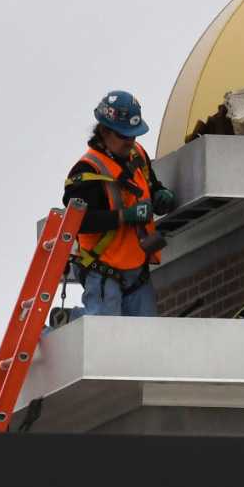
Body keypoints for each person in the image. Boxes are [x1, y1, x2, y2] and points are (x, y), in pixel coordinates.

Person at [56, 89, 175, 320]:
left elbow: (151, 186)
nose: (130, 141)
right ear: (105, 131)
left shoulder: (137, 155)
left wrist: (161, 195)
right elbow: (78, 223)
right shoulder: (87, 170)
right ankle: (70, 320)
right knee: (103, 335)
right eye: (124, 135)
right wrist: (124, 216)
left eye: (133, 135)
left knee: (144, 339)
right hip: (103, 272)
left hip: (137, 270)